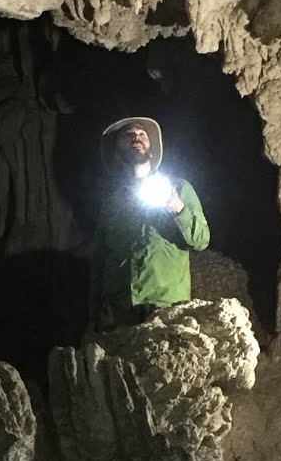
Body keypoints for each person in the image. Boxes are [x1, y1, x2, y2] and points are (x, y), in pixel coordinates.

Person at [88, 117, 210, 330]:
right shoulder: (111, 202)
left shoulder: (178, 189)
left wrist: (177, 208)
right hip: (119, 311)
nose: (136, 137)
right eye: (128, 135)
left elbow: (201, 240)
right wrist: (92, 317)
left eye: (142, 134)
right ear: (116, 152)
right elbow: (99, 260)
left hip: (166, 309)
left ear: (151, 151)